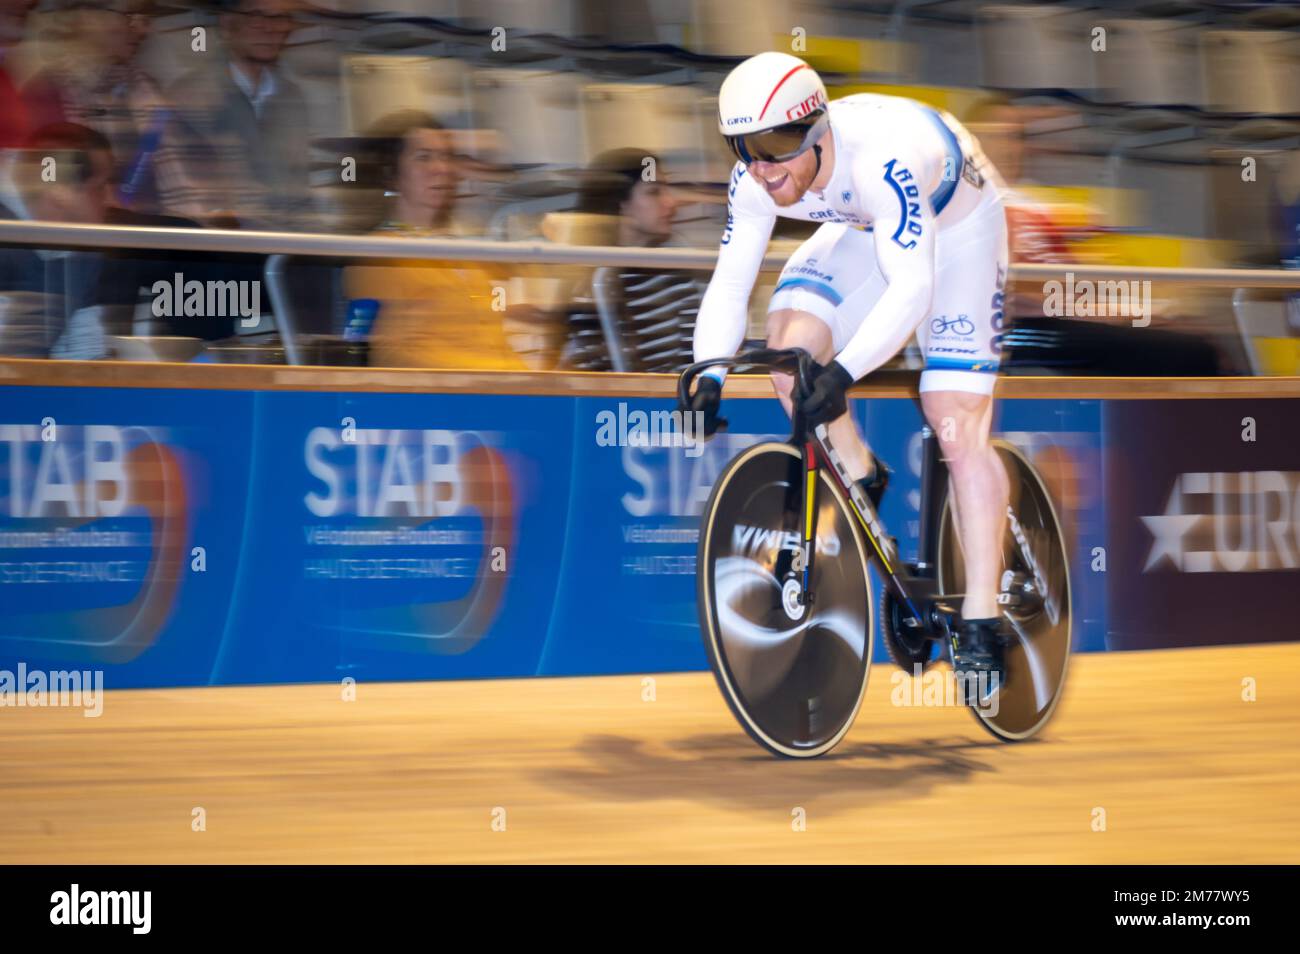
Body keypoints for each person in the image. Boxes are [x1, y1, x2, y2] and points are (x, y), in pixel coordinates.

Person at [682, 52, 1012, 683]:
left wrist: (849, 370)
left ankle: (981, 615)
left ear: (814, 131)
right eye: (742, 147)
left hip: (959, 223)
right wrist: (708, 375)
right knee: (791, 353)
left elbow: (911, 289)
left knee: (953, 419)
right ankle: (859, 470)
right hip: (866, 224)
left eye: (775, 147)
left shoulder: (881, 162)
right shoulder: (755, 178)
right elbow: (730, 286)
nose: (761, 168)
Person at [343, 111, 529, 370]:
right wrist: (493, 377)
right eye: (423, 158)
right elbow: (390, 357)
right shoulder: (378, 256)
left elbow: (497, 343)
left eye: (445, 157)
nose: (441, 169)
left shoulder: (466, 258)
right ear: (391, 173)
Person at [561, 148, 703, 372]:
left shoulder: (674, 271)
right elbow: (600, 385)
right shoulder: (591, 289)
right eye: (654, 192)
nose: (670, 202)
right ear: (621, 203)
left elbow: (695, 361)